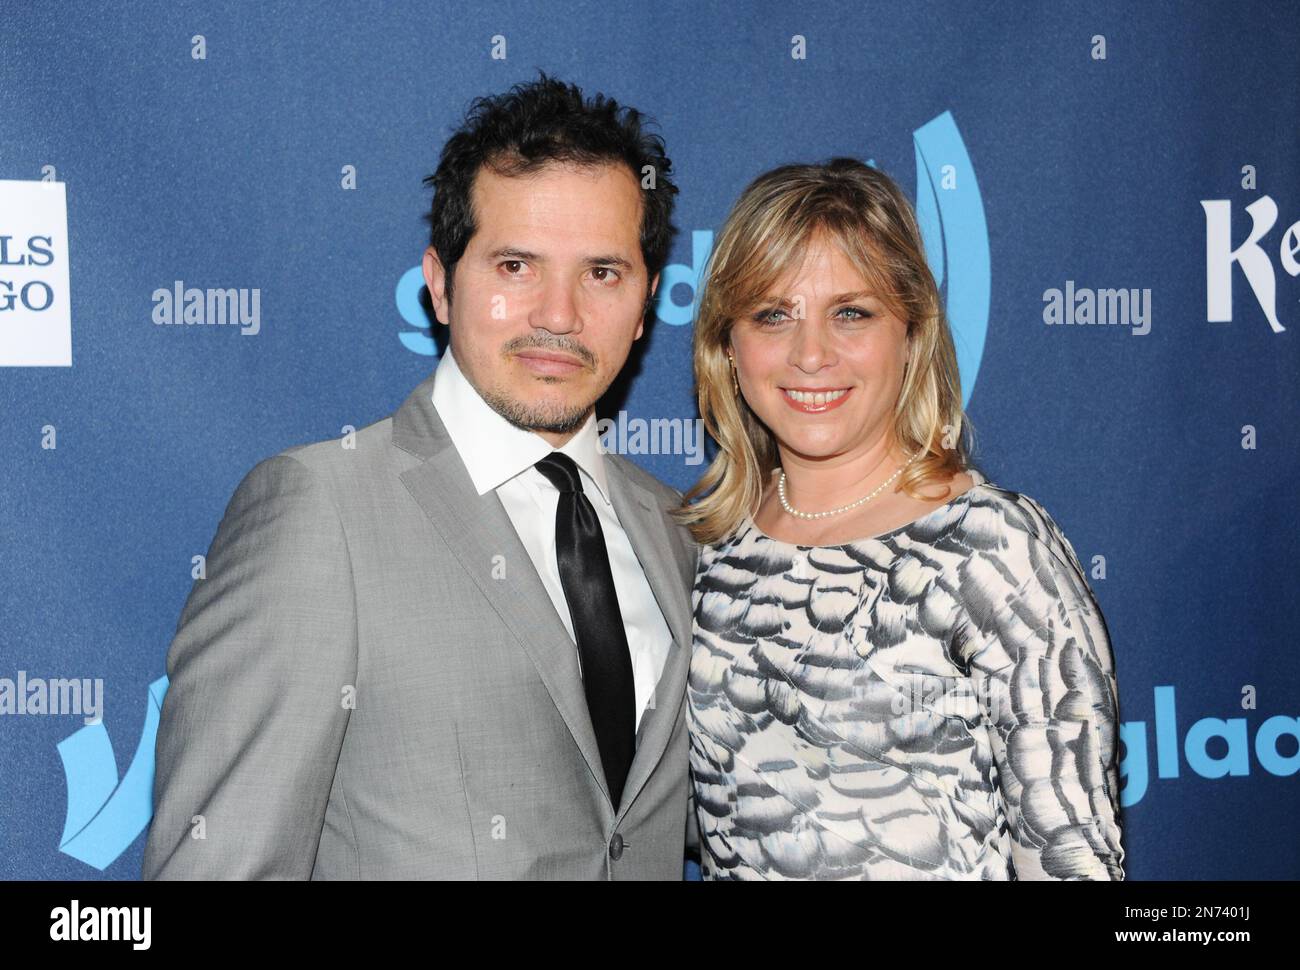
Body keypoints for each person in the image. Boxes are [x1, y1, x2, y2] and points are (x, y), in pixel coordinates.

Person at [143, 72, 698, 879]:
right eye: (515, 266)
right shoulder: (319, 513)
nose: (559, 314)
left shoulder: (677, 530)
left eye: (603, 274)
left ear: (647, 302)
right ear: (439, 284)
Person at [677, 157, 1125, 880]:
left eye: (851, 313)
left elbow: (1074, 862)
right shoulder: (708, 552)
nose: (811, 353)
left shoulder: (994, 550)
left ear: (911, 334)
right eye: (772, 314)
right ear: (727, 347)